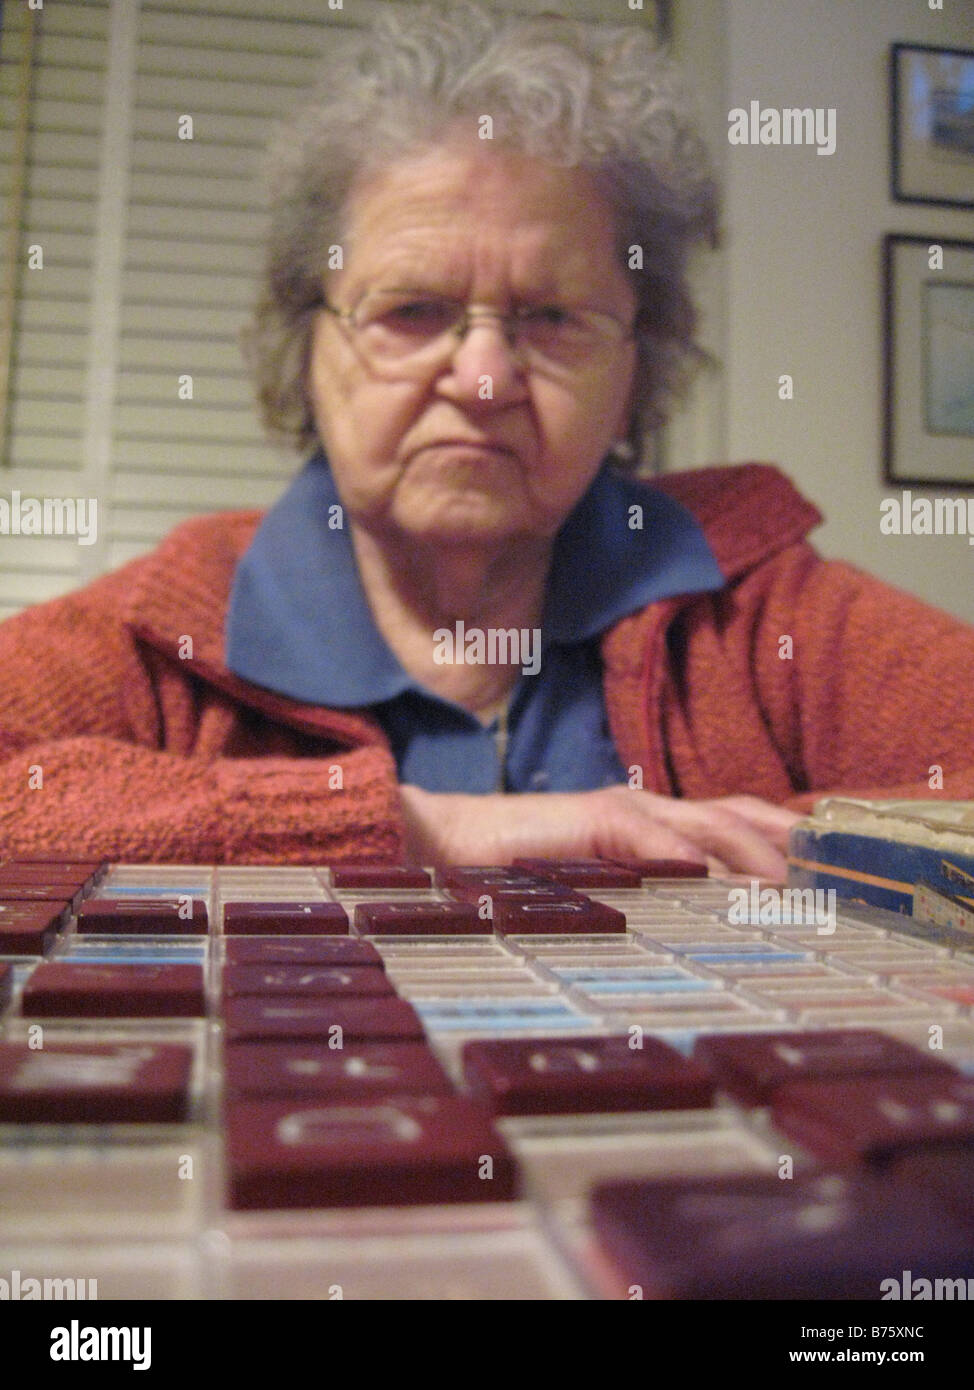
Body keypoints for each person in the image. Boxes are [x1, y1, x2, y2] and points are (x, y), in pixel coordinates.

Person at [1, 3, 973, 876]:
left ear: (638, 361)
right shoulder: (175, 627)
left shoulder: (755, 610)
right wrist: (423, 826)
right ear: (305, 343)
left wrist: (713, 846)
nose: (480, 378)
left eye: (551, 317)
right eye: (412, 309)